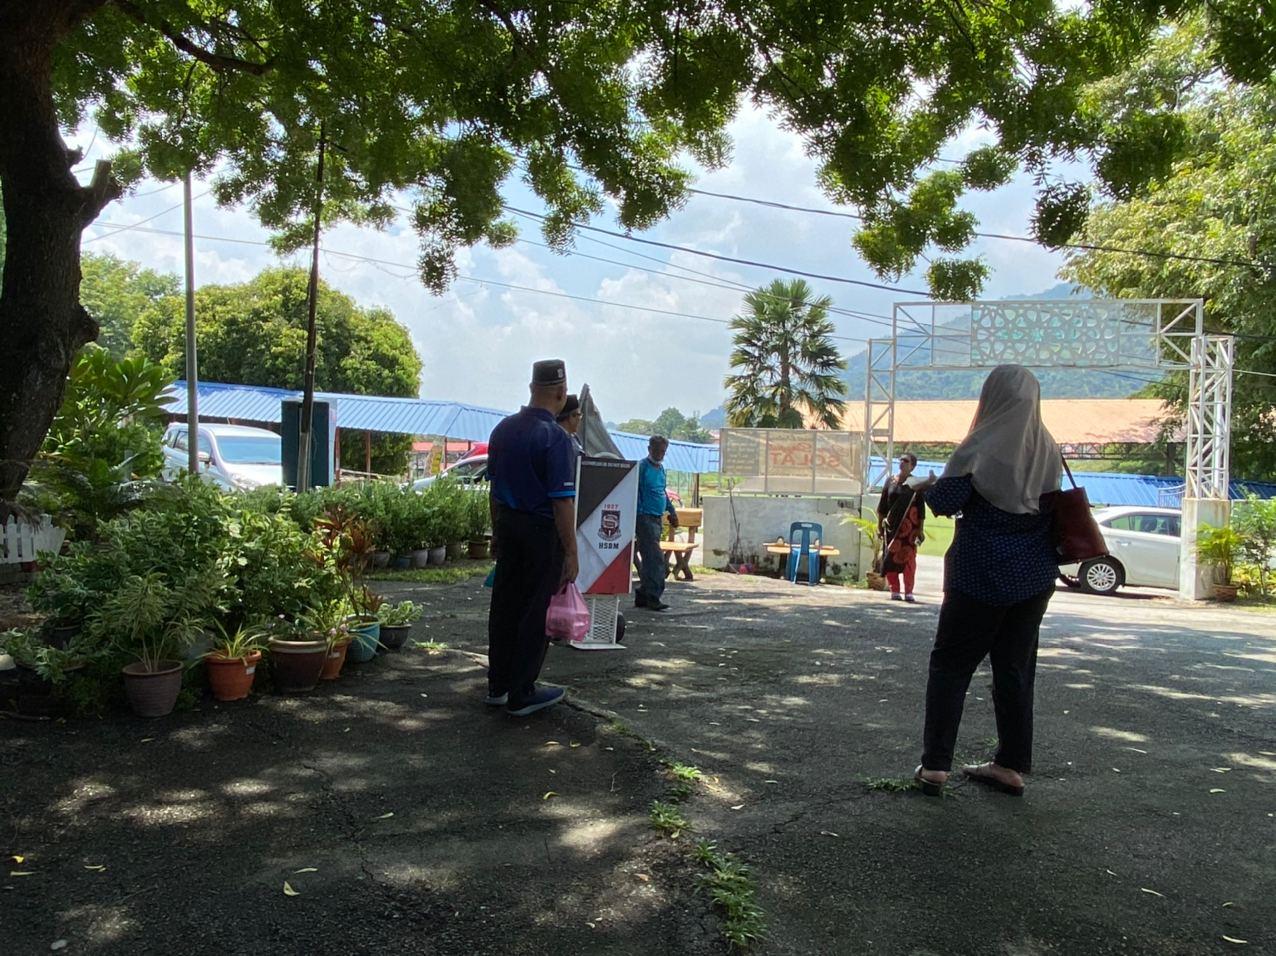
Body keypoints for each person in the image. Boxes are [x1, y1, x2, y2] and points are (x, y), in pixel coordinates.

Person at [912, 365, 1062, 798]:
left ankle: (936, 765)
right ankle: (1010, 765)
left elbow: (943, 502)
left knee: (951, 666)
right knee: (1014, 670)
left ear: (990, 396)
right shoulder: (1048, 446)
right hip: (1033, 578)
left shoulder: (981, 444)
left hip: (979, 575)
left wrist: (935, 484)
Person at [485, 360, 579, 717]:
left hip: (508, 525)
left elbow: (494, 491)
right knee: (535, 609)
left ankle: (498, 684)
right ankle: (522, 691)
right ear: (560, 393)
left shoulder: (503, 430)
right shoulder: (556, 439)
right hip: (541, 532)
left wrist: (497, 532)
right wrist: (571, 553)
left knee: (505, 604)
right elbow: (562, 502)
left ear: (530, 388)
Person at [634, 435, 678, 611]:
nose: (660, 454)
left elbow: (662, 492)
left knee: (650, 558)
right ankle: (653, 596)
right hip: (644, 517)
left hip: (657, 517)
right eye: (657, 451)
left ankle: (643, 595)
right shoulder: (642, 467)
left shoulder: (661, 469)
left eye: (663, 452)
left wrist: (672, 511)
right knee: (656, 559)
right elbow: (635, 491)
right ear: (649, 449)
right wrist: (638, 514)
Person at [877, 452, 926, 602]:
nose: (902, 462)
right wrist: (880, 526)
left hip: (909, 529)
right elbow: (883, 506)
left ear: (912, 466)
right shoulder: (890, 482)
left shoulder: (916, 484)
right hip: (892, 528)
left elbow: (921, 509)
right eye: (901, 460)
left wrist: (920, 529)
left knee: (908, 560)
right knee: (891, 558)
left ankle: (909, 591)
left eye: (906, 461)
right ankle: (895, 590)